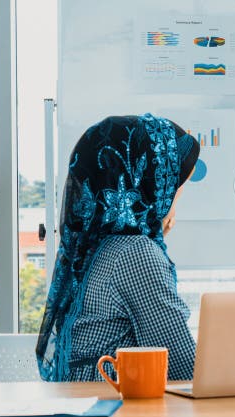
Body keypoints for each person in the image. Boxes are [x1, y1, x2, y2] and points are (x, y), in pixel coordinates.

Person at [36, 114, 200, 382]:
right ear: (148, 183)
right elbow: (183, 367)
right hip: (112, 415)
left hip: (90, 414)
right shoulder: (135, 253)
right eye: (176, 186)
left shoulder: (97, 247)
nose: (176, 197)